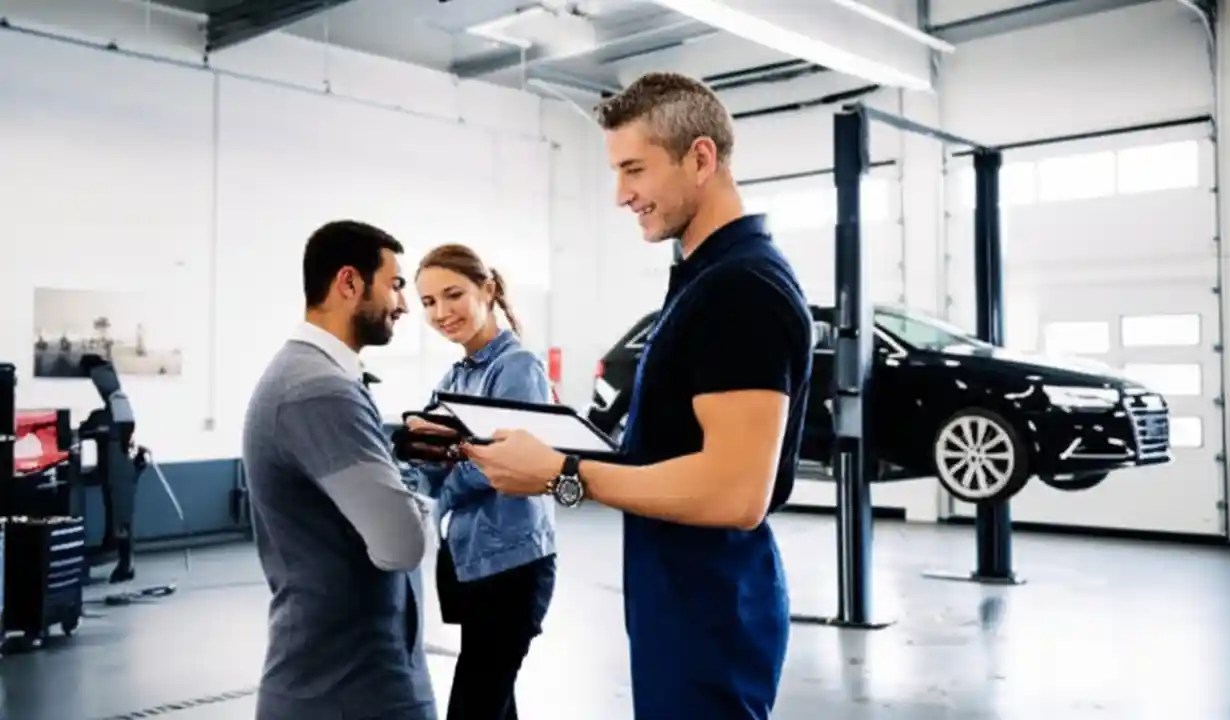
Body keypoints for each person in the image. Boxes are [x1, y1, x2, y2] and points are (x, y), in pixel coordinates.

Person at [462, 72, 814, 719]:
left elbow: (737, 492)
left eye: (634, 170)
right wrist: (555, 462)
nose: (622, 195)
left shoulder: (740, 288)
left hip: (711, 607)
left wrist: (561, 476)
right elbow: (671, 452)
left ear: (701, 158)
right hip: (680, 597)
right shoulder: (705, 278)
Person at [241, 220, 438, 720]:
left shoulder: (311, 378)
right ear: (349, 283)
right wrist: (414, 489)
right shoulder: (318, 390)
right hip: (350, 687)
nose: (404, 305)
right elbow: (401, 544)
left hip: (347, 675)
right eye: (394, 285)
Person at [400, 244, 557, 720]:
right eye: (428, 303)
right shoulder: (454, 376)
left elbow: (503, 465)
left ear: (487, 290)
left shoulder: (517, 367)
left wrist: (442, 490)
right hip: (470, 561)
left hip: (513, 563)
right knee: (493, 701)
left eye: (453, 295)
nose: (441, 313)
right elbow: (430, 457)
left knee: (474, 704)